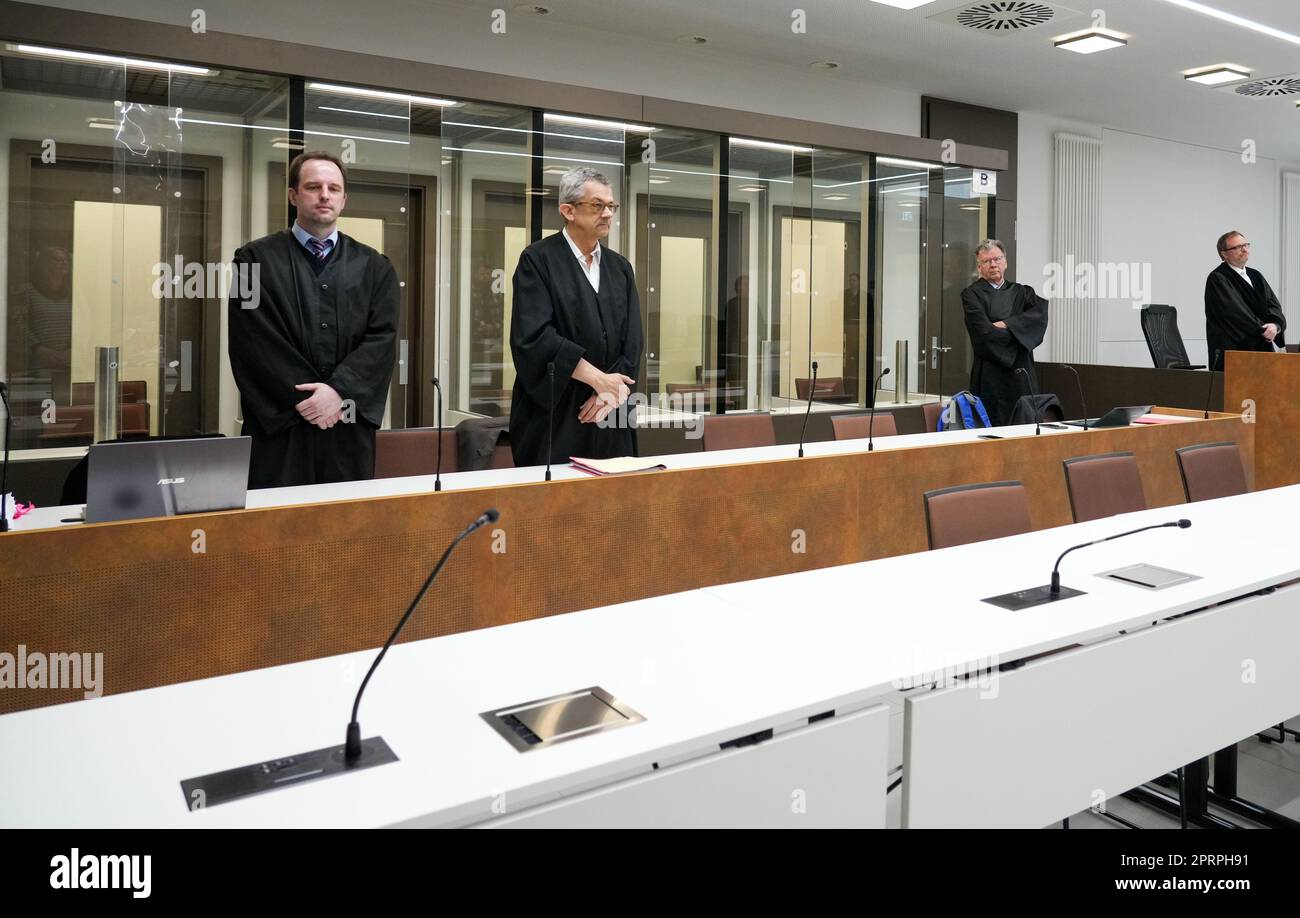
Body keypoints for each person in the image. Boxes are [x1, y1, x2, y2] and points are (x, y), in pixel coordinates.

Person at [228, 151, 398, 488]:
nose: (324, 195)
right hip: (280, 428)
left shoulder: (376, 267)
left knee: (345, 528)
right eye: (313, 187)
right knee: (276, 528)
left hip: (347, 427)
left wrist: (338, 391)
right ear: (293, 195)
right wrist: (312, 401)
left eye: (334, 189)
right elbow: (252, 341)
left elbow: (382, 339)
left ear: (344, 199)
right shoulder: (250, 261)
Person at [509, 166, 643, 465]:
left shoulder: (619, 267)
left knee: (616, 505)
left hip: (612, 411)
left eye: (611, 206)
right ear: (568, 210)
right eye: (597, 205)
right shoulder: (538, 260)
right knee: (558, 505)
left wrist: (611, 391)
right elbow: (534, 336)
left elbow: (632, 340)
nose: (608, 213)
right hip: (556, 412)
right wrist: (598, 380)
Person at [960, 239, 1049, 426]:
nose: (993, 264)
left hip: (1022, 372)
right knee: (992, 428)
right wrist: (1019, 333)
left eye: (997, 259)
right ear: (979, 266)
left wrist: (1006, 324)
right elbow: (983, 334)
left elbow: (1038, 320)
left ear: (1005, 262)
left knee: (1025, 424)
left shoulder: (1023, 293)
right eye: (986, 261)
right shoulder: (972, 295)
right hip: (990, 374)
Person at [1204, 230, 1285, 371]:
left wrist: (1275, 325)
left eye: (1246, 245)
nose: (1244, 249)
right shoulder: (1218, 278)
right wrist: (1264, 330)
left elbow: (1273, 304)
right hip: (1235, 348)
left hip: (1262, 344)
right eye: (1237, 247)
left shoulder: (1256, 275)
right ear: (1224, 254)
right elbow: (1235, 312)